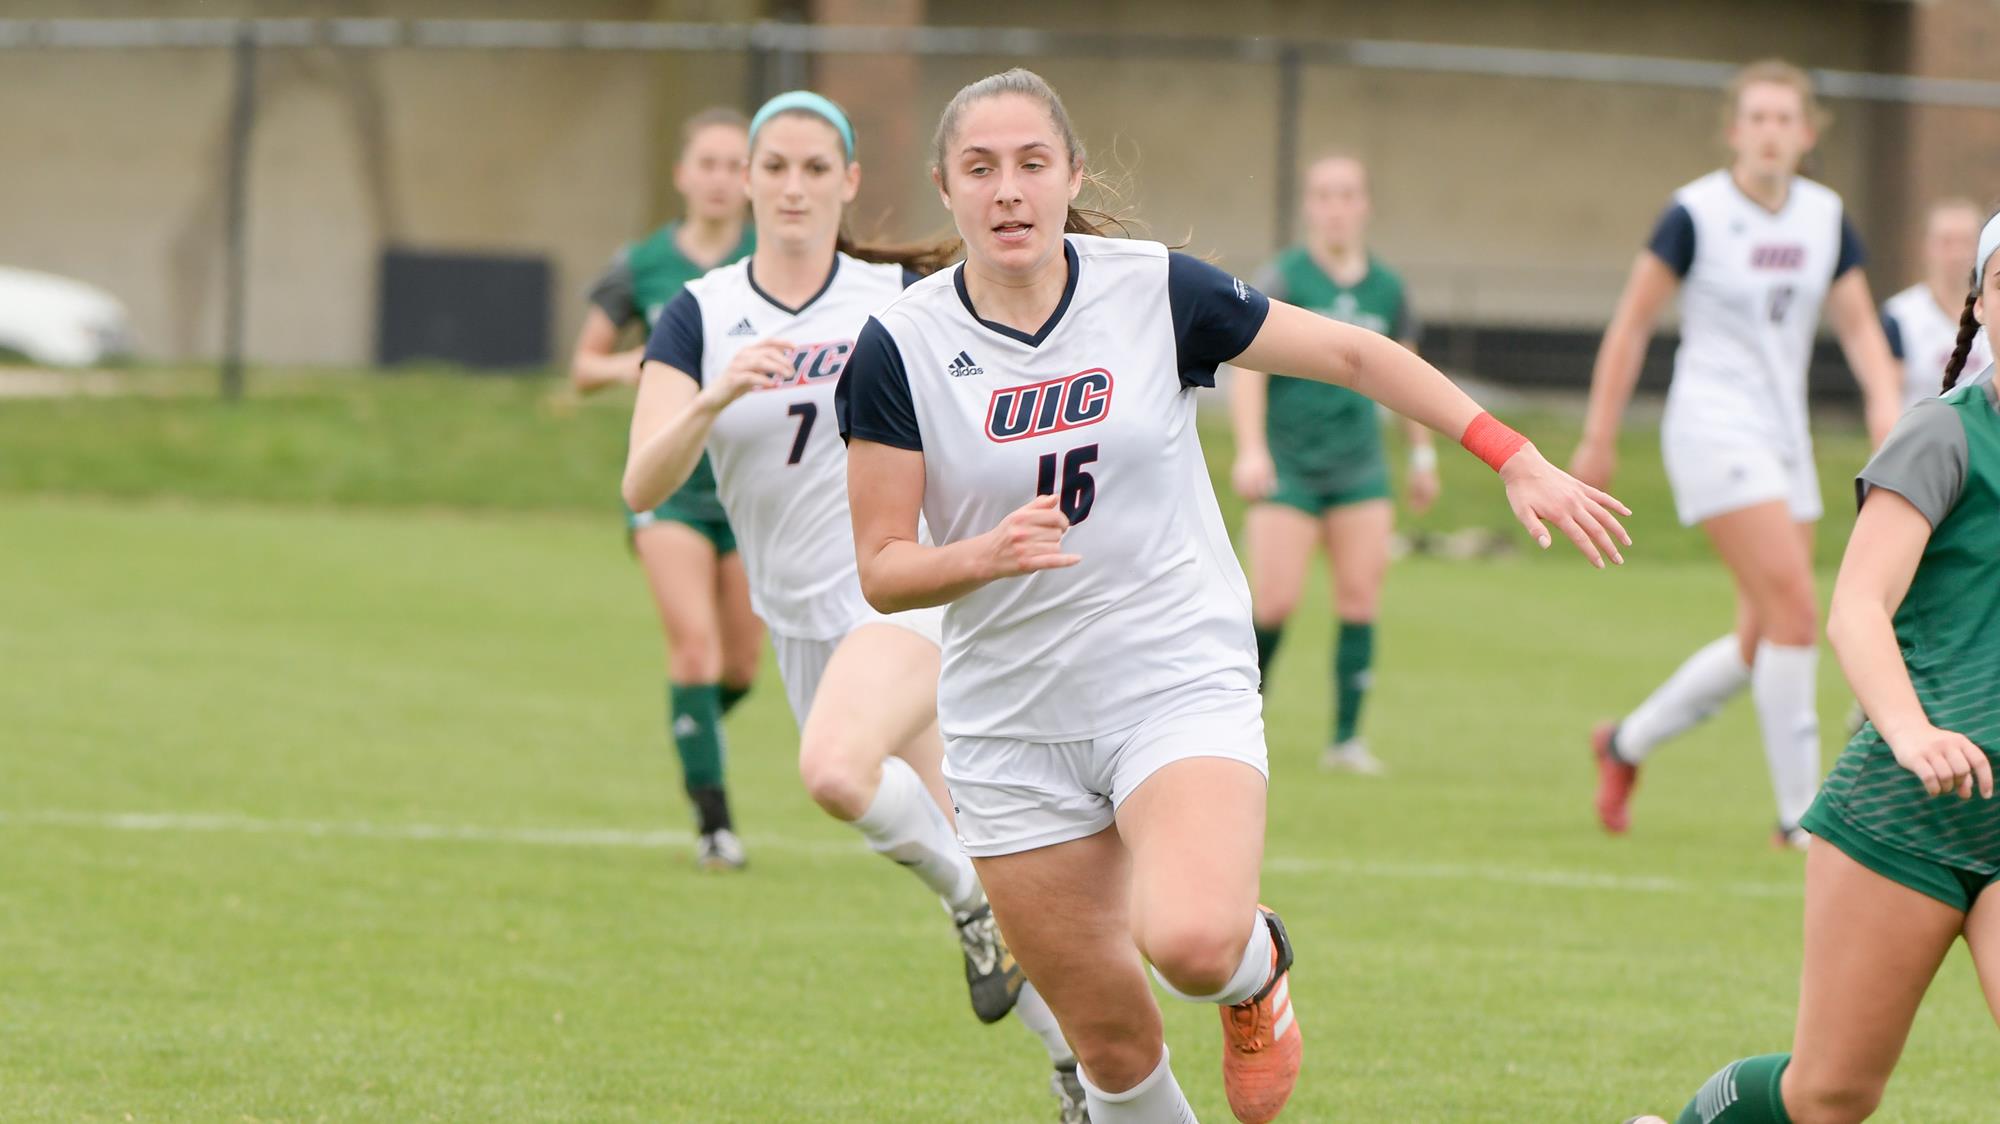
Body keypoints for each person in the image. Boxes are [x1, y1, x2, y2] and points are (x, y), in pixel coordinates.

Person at [838, 67, 1627, 1124]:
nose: (1009, 190)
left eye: (1032, 162)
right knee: (1111, 1047)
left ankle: (1258, 970)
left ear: (1071, 173)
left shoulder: (1153, 289)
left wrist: (1509, 451)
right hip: (1009, 719)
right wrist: (978, 553)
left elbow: (1348, 351)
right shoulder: (901, 346)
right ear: (946, 186)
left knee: (1193, 942)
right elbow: (883, 566)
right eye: (980, 168)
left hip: (1170, 673)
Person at [620, 90, 1085, 1121]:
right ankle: (1085, 1076)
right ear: (744, 180)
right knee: (1014, 878)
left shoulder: (897, 295)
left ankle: (972, 908)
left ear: (849, 182)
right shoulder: (700, 311)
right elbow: (640, 483)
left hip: (900, 601)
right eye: (773, 167)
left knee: (836, 772)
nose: (792, 187)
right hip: (799, 626)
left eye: (812, 168)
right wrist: (710, 396)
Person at [1621, 212, 2000, 1124]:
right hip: (1908, 808)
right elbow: (1856, 607)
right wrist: (1909, 731)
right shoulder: (1943, 437)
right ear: (1981, 304)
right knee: (1830, 1095)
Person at [1575, 59, 1903, 848]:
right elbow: (1631, 324)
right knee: (1796, 611)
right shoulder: (1695, 213)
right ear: (1733, 131)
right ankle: (1801, 821)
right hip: (1711, 429)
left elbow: (1859, 327)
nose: (1769, 132)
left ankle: (1625, 744)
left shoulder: (1825, 216)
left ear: (1808, 134)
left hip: (1784, 437)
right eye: (1755, 117)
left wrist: (1888, 408)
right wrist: (1598, 435)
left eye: (1785, 119)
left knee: (1763, 639)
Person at [569, 107, 762, 870]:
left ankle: (691, 732)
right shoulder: (642, 263)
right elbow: (584, 367)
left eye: (733, 164)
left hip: (750, 495)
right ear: (682, 175)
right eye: (705, 163)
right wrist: (647, 365)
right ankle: (716, 826)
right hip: (668, 489)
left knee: (739, 669)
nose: (719, 179)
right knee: (694, 652)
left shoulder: (773, 263)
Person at [1228, 153, 1438, 776]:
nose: (1336, 207)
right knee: (1273, 603)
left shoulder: (1389, 289)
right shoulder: (1286, 278)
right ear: (1309, 206)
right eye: (1323, 195)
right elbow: (1247, 365)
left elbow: (1408, 377)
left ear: (1364, 204)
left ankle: (1346, 741)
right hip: (1291, 467)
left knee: (1359, 599)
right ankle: (1239, 725)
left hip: (1358, 469)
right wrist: (1252, 449)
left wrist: (1422, 453)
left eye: (1347, 194)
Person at [1882, 198, 1990, 412]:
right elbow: (1886, 397)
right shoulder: (1900, 316)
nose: (1957, 254)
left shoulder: (1994, 310)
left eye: (1966, 241)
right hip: (1924, 440)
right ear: (1926, 247)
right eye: (1946, 242)